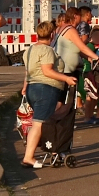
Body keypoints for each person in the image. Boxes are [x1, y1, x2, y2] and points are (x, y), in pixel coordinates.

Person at [22, 20, 78, 169]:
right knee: (39, 123)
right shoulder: (47, 51)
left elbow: (29, 71)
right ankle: (29, 157)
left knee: (45, 121)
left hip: (32, 88)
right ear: (52, 34)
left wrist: (24, 86)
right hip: (45, 89)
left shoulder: (29, 50)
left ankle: (54, 149)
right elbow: (47, 71)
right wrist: (66, 78)